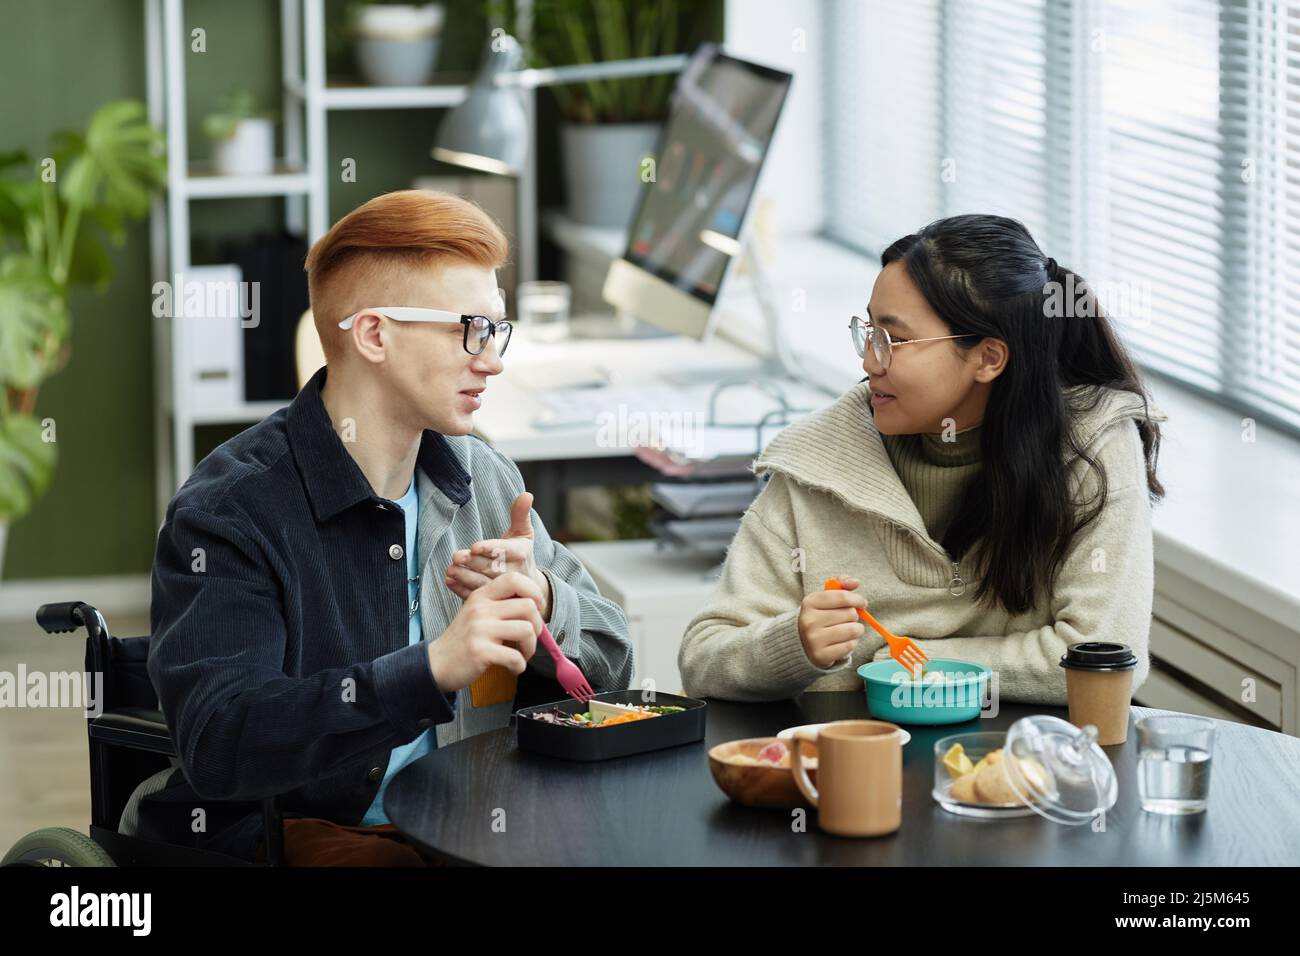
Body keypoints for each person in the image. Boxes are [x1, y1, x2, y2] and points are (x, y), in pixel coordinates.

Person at [147, 189, 634, 864]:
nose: (491, 359)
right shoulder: (232, 511)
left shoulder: (484, 480)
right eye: (469, 328)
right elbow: (222, 741)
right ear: (374, 334)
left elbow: (618, 662)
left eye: (496, 330)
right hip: (305, 839)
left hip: (477, 826)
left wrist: (547, 600)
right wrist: (431, 670)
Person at [679, 213, 1166, 705]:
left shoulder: (1090, 447)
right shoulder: (818, 461)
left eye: (895, 340)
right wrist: (793, 645)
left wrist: (898, 662)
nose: (870, 362)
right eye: (869, 331)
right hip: (849, 761)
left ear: (988, 358)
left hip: (1026, 766)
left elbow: (1101, 658)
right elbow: (704, 660)